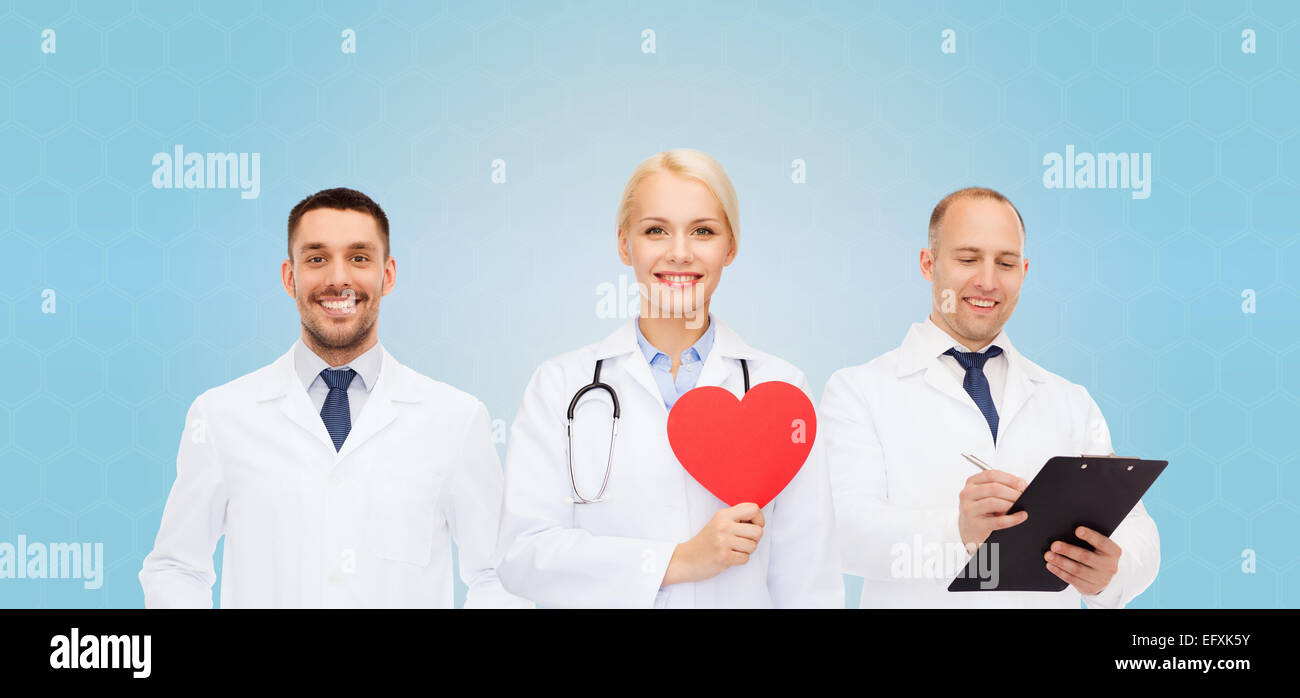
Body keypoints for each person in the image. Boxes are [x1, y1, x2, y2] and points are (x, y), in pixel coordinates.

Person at [140, 187, 529, 608]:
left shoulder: (455, 420)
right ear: (290, 277)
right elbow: (177, 568)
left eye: (359, 258)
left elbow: (500, 576)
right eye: (317, 258)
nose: (338, 278)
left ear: (388, 275)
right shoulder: (221, 416)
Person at [495, 149, 842, 608]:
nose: (679, 253)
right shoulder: (560, 386)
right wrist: (678, 561)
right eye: (655, 230)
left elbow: (809, 581)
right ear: (625, 245)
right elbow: (523, 555)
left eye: (703, 231)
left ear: (730, 247)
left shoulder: (780, 389)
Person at [821, 186, 1159, 608]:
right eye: (967, 259)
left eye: (1006, 263)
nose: (987, 281)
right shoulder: (857, 391)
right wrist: (957, 531)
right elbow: (841, 532)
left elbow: (1137, 530)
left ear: (1024, 271)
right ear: (928, 263)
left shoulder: (1069, 401)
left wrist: (1111, 572)